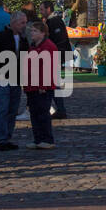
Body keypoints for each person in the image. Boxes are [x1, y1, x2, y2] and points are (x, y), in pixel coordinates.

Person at [0, 11, 27, 150]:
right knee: (3, 108)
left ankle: (7, 137)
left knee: (12, 109)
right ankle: (2, 139)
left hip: (16, 78)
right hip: (3, 77)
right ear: (14, 22)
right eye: (22, 22)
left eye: (25, 22)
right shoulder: (0, 37)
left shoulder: (24, 39)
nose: (24, 25)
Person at [22, 21, 59, 150]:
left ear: (42, 33)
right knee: (34, 114)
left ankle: (47, 139)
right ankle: (38, 139)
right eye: (31, 30)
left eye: (35, 31)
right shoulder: (33, 46)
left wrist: (43, 85)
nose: (32, 33)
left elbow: (48, 68)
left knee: (43, 113)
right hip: (32, 86)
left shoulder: (48, 46)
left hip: (43, 87)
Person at [41, 1, 74, 119]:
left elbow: (58, 39)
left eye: (42, 9)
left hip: (55, 55)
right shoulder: (54, 20)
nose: (41, 12)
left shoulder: (54, 21)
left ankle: (58, 109)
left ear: (48, 9)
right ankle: (58, 108)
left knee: (52, 84)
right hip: (56, 54)